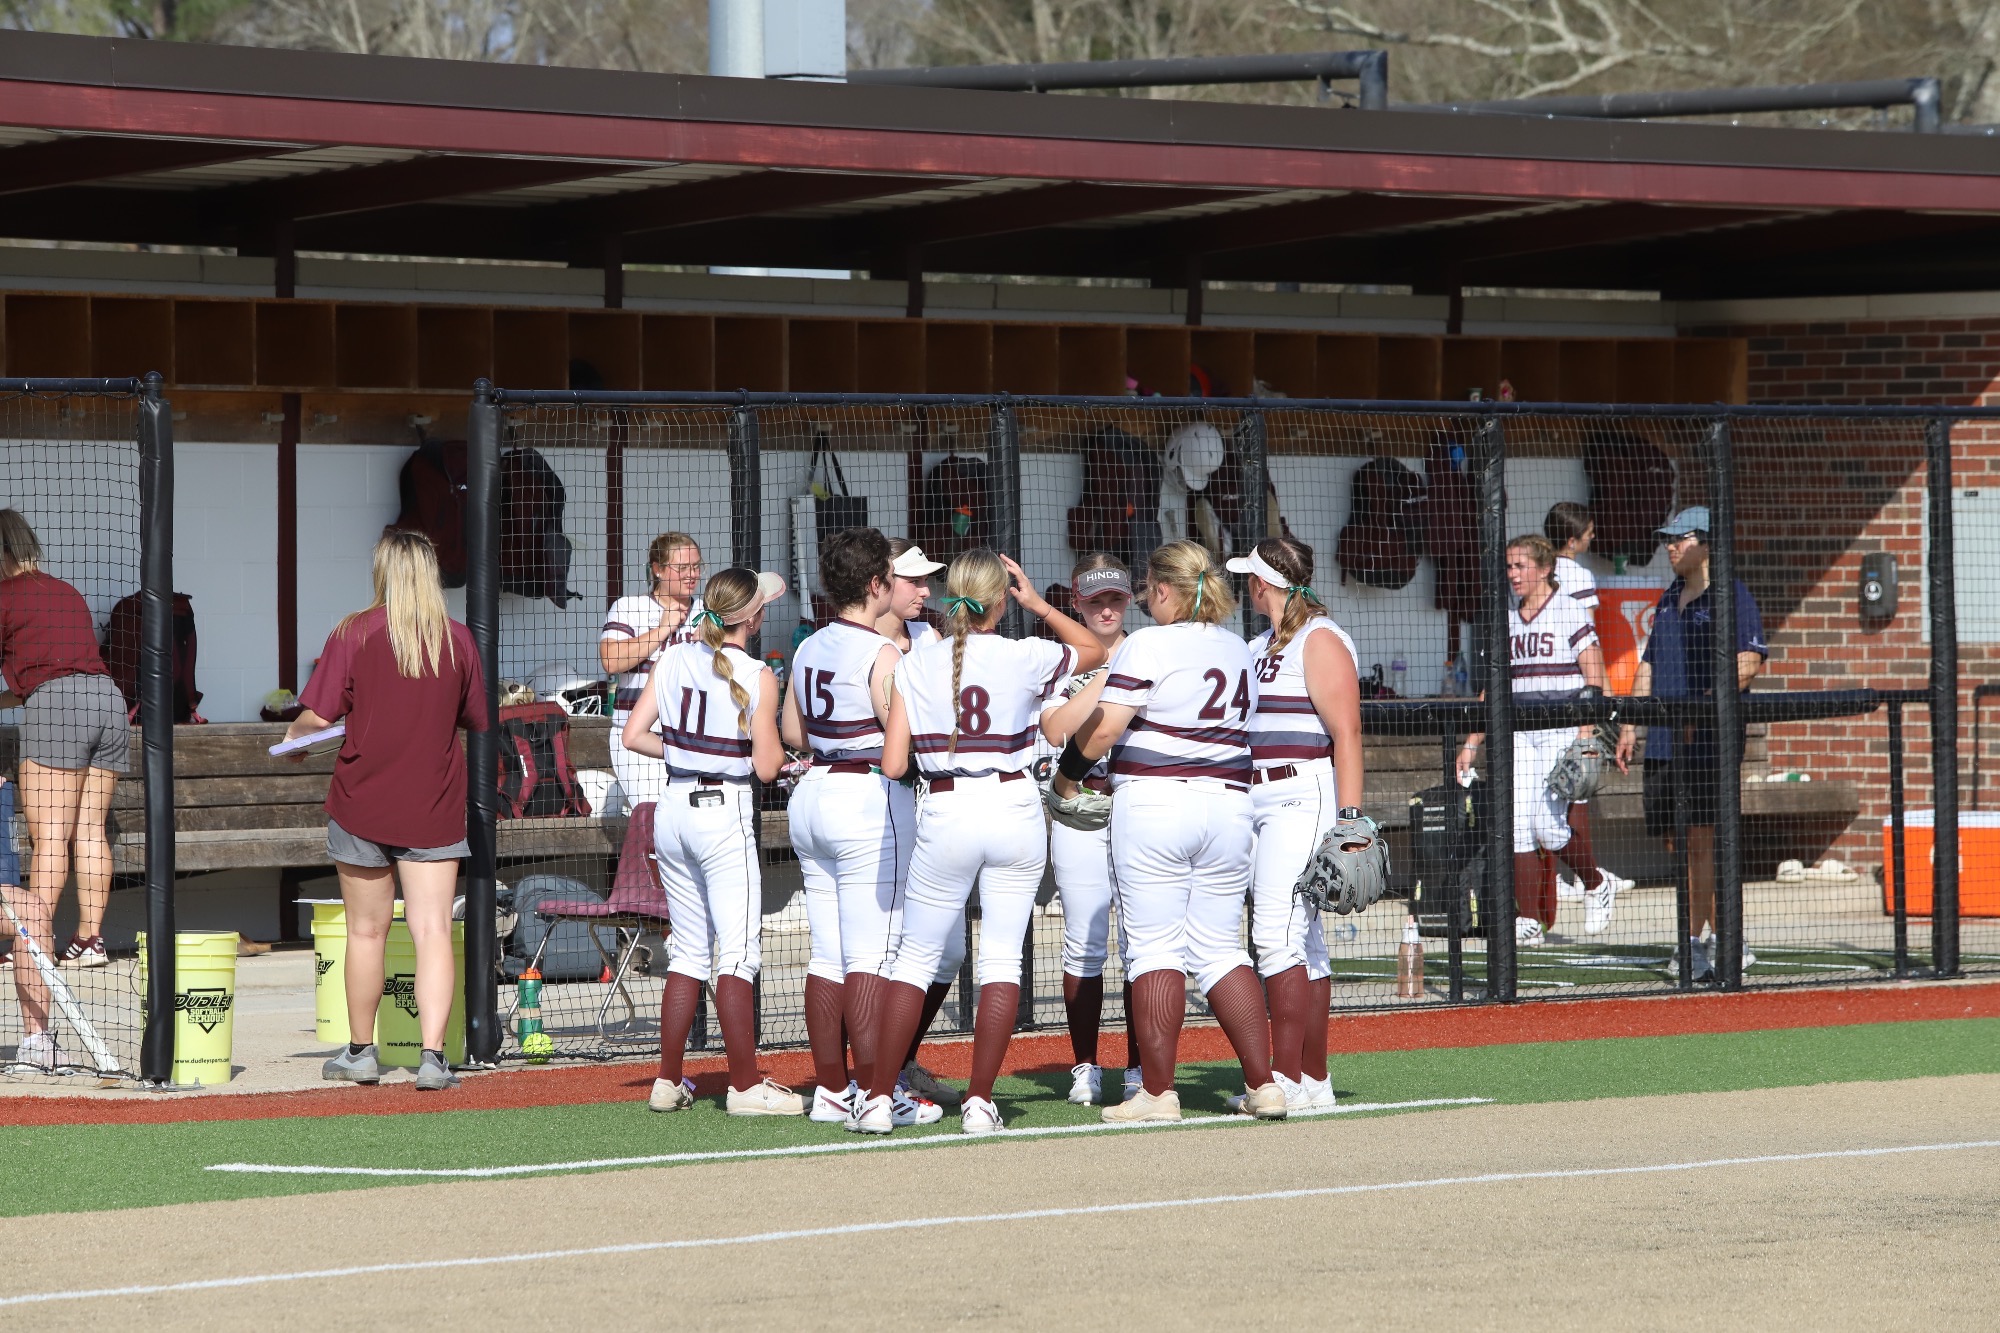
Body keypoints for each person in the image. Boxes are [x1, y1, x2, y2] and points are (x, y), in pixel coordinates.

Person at [854, 549, 1104, 1134]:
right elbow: (1095, 650)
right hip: (1013, 806)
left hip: (945, 808)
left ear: (948, 600)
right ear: (999, 600)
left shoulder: (914, 662)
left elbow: (893, 765)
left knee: (913, 960)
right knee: (1000, 963)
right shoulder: (1026, 653)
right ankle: (981, 1102)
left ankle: (877, 1101)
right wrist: (1036, 602)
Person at [1050, 539, 1285, 1124]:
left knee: (1155, 949)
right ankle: (1265, 1085)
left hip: (1156, 803)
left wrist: (1065, 779)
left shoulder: (1149, 644)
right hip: (1230, 808)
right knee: (1221, 949)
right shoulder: (1236, 647)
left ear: (1160, 590)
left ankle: (1156, 1092)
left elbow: (1104, 731)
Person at [287, 530, 488, 1092]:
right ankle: (433, 1058)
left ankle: (360, 1052)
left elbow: (315, 719)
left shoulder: (354, 631)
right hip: (434, 802)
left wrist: (293, 733)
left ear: (381, 573)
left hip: (362, 802)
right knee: (431, 932)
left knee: (366, 932)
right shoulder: (458, 640)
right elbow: (477, 718)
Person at [621, 566, 802, 1116]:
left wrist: (688, 757)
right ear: (752, 616)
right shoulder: (757, 673)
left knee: (690, 953)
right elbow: (769, 768)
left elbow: (633, 735)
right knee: (739, 953)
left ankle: (668, 1080)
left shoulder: (673, 655)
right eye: (762, 607)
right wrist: (791, 764)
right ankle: (745, 1085)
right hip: (722, 813)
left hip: (673, 810)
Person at [781, 527, 940, 1130]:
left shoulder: (808, 646)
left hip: (813, 792)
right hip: (866, 798)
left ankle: (830, 1092)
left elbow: (795, 732)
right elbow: (905, 734)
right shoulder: (883, 652)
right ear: (876, 585)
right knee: (873, 955)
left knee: (827, 954)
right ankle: (878, 1095)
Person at [1230, 537, 1363, 1113]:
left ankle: (1282, 1080)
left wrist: (1351, 823)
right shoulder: (1259, 642)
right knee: (1303, 941)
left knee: (1274, 936)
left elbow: (1348, 734)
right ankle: (1312, 1081)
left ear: (1265, 583)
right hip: (1259, 794)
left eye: (1250, 578)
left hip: (1300, 791)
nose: (1246, 587)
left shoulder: (1320, 637)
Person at [1614, 506, 1767, 984]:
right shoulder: (1667, 600)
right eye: (1667, 539)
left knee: (1701, 842)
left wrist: (1701, 709)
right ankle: (1722, 937)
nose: (1670, 547)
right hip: (1663, 745)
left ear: (1704, 543)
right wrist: (1630, 725)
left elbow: (1749, 662)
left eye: (1679, 539)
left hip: (1707, 744)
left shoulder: (1731, 596)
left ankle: (1695, 944)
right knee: (1679, 844)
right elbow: (1649, 666)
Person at [0, 509, 128, 1069]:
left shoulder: (4, 596)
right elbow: (56, 671)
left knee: (49, 835)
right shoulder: (65, 591)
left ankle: (35, 940)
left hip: (55, 708)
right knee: (90, 829)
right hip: (107, 700)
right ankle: (91, 939)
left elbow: (44, 686)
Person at [1459, 535, 1624, 948]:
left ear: (1545, 568)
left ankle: (1595, 881)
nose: (1512, 574)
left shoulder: (1568, 609)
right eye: (1509, 567)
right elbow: (1495, 686)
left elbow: (1594, 673)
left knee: (1547, 827)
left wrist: (1586, 730)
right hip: (1520, 731)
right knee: (1516, 827)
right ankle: (1528, 920)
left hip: (1561, 728)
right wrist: (1471, 741)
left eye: (1520, 566)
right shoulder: (1507, 618)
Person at [1038, 553, 1141, 1107]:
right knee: (1083, 937)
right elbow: (1057, 730)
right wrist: (1105, 675)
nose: (1105, 608)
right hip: (1079, 808)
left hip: (1138, 804)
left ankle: (1138, 1067)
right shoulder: (1065, 661)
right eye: (1094, 599)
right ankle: (1084, 1066)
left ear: (1130, 600)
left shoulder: (1152, 649)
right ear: (1077, 602)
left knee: (1141, 940)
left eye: (1115, 598)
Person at [873, 537, 963, 1109]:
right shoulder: (859, 645)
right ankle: (871, 1077)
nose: (926, 591)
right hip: (878, 806)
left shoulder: (930, 638)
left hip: (933, 807)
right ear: (879, 584)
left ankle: (899, 1062)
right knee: (881, 950)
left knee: (947, 950)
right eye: (913, 581)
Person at [1544, 501, 1634, 921]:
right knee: (1573, 783)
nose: (1593, 538)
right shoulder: (1578, 575)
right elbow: (1588, 639)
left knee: (1546, 790)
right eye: (1588, 533)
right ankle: (1587, 876)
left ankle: (1565, 879)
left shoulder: (1534, 571)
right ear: (1572, 538)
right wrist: (1602, 692)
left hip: (1537, 692)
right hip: (1574, 691)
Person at [601, 532, 705, 813]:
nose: (692, 575)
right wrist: (662, 630)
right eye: (682, 568)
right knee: (656, 820)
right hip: (638, 737)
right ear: (657, 569)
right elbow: (611, 661)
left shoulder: (707, 613)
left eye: (696, 566)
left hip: (694, 738)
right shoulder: (629, 607)